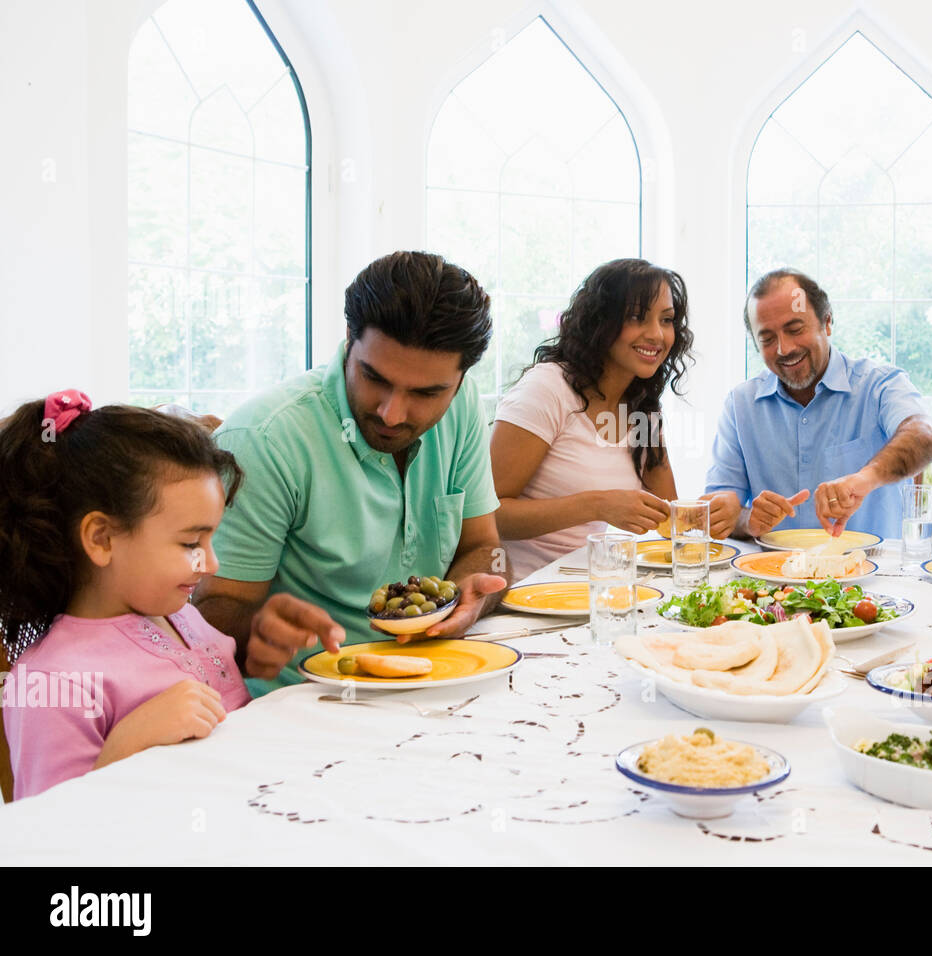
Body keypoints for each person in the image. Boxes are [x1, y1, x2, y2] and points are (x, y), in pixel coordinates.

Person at [194, 252, 507, 696]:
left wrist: (471, 596)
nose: (392, 413)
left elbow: (484, 546)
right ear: (348, 339)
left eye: (426, 393)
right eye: (374, 377)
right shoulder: (266, 437)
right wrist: (258, 632)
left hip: (430, 679)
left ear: (460, 380)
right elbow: (212, 611)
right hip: (300, 699)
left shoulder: (465, 405)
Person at [0, 393, 250, 800]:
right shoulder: (52, 682)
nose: (212, 563)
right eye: (191, 541)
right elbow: (49, 838)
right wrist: (131, 740)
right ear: (102, 539)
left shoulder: (181, 616)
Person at [492, 259, 722, 578]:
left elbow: (669, 520)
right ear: (601, 321)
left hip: (592, 590)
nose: (656, 334)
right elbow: (488, 514)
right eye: (636, 317)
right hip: (522, 594)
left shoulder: (642, 409)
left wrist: (725, 513)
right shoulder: (547, 389)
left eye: (666, 320)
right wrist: (597, 505)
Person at [705, 268, 932, 540]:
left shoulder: (880, 385)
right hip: (772, 576)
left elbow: (925, 438)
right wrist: (749, 520)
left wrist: (862, 479)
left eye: (795, 329)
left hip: (875, 577)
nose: (784, 348)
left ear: (827, 322)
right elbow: (718, 511)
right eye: (767, 339)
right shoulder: (740, 404)